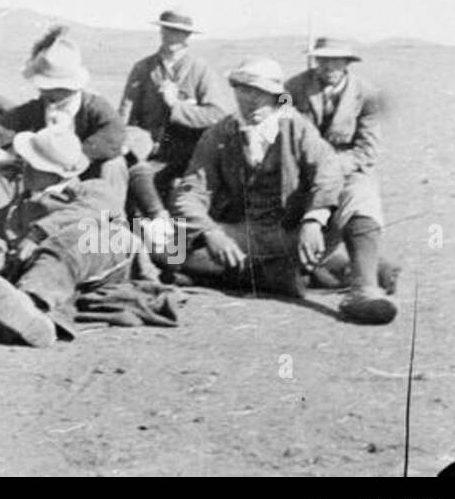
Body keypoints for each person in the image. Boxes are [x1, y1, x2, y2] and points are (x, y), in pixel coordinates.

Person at [170, 57, 396, 324]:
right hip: (245, 232)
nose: (252, 100)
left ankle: (365, 288)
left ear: (277, 97)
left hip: (295, 230)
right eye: (244, 90)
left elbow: (329, 171)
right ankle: (293, 274)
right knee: (166, 247)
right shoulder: (219, 134)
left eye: (261, 93)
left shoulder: (296, 126)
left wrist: (314, 218)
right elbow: (189, 192)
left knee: (359, 186)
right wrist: (211, 232)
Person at [0, 122, 170, 347]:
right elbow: (27, 252)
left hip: (111, 253)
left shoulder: (93, 188)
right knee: (43, 260)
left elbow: (95, 211)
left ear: (51, 173)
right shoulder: (24, 206)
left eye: (31, 163)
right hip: (67, 272)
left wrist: (37, 234)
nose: (23, 165)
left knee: (71, 241)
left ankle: (27, 306)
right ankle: (23, 322)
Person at [0, 39, 128, 235]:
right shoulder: (36, 109)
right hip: (44, 177)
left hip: (85, 175)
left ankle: (111, 233)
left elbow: (115, 132)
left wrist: (79, 159)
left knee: (114, 165)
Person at [287, 37, 400, 303]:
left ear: (348, 63)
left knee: (362, 197)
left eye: (335, 60)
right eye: (322, 59)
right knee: (292, 260)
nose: (328, 66)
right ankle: (368, 267)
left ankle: (365, 287)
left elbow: (367, 150)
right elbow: (281, 123)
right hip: (302, 170)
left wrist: (332, 167)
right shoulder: (292, 87)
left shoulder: (368, 95)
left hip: (347, 169)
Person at [118, 9, 227, 223]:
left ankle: (169, 243)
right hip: (147, 151)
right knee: (131, 181)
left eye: (180, 32)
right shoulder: (143, 68)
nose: (173, 36)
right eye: (168, 30)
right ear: (161, 31)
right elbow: (125, 113)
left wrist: (176, 106)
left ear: (188, 37)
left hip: (187, 155)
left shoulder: (200, 70)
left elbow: (216, 114)